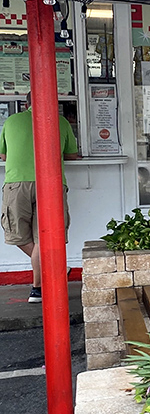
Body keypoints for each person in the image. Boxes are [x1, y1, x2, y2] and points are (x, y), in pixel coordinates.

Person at [0, 93, 78, 302]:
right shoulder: (61, 122)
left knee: (16, 233)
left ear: (26, 104)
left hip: (17, 183)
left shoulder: (12, 120)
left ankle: (38, 287)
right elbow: (72, 154)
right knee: (44, 238)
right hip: (52, 183)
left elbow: (4, 155)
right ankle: (56, 268)